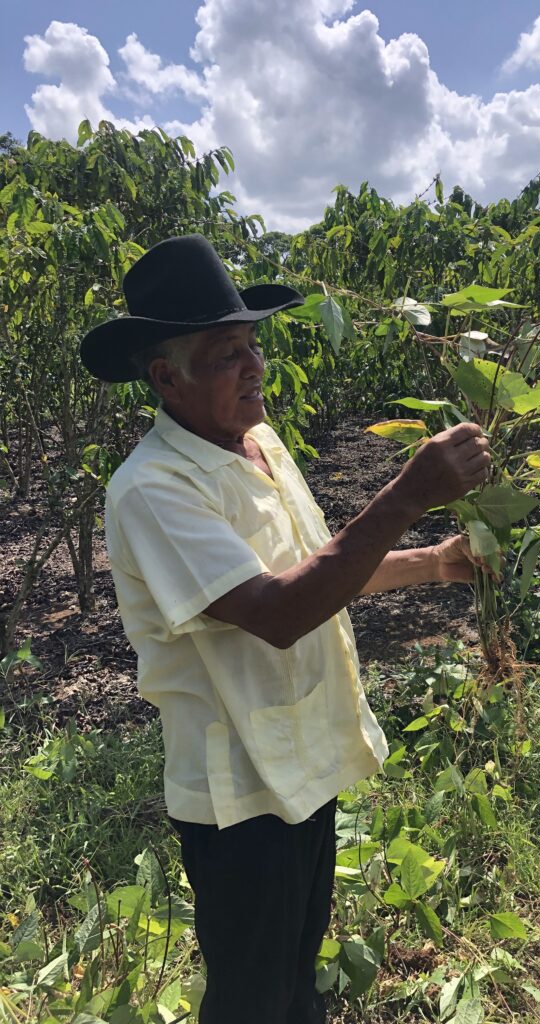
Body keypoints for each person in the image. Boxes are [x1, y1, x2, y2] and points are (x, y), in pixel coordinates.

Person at [80, 234, 492, 1024]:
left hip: (302, 766)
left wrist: (436, 563)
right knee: (251, 1001)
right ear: (166, 377)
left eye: (252, 345)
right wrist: (407, 495)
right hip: (240, 795)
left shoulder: (259, 444)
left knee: (296, 980)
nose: (254, 367)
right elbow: (278, 611)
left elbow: (320, 571)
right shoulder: (152, 489)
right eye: (225, 355)